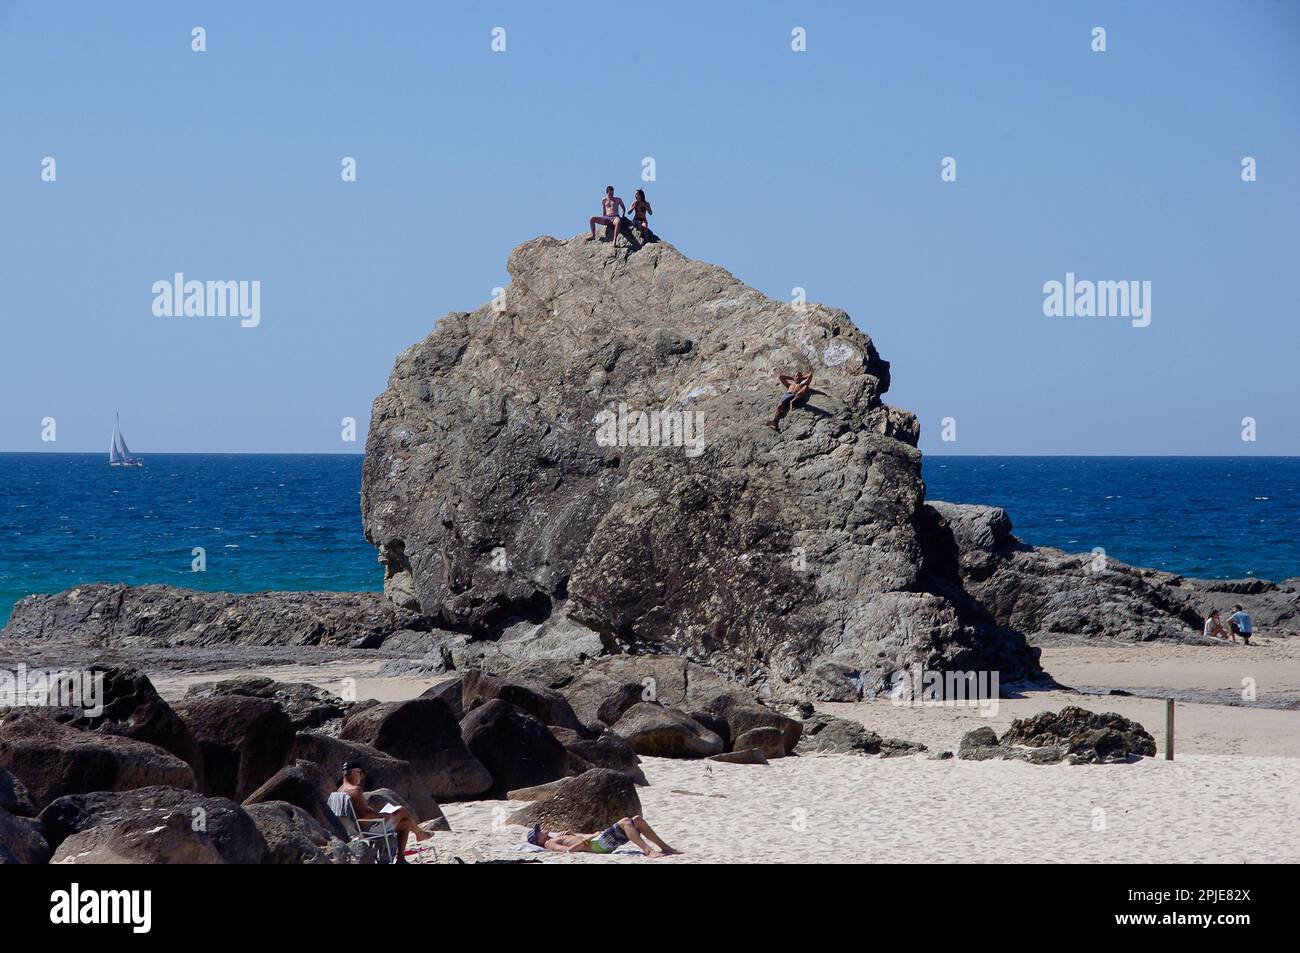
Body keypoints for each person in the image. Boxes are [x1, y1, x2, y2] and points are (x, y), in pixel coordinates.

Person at [336, 761, 433, 859]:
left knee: (406, 823)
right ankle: (419, 834)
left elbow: (356, 814)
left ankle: (401, 859)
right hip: (368, 830)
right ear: (353, 772)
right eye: (361, 773)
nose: (361, 777)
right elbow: (365, 814)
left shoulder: (338, 792)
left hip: (353, 830)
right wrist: (382, 815)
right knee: (401, 810)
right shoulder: (355, 790)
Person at [526, 815, 680, 858]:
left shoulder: (558, 835)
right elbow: (567, 852)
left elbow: (576, 840)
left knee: (637, 820)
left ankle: (665, 848)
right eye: (539, 831)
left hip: (598, 841)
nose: (542, 828)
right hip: (596, 846)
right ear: (538, 840)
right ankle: (648, 851)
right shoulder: (549, 844)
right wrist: (585, 841)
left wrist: (583, 835)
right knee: (626, 822)